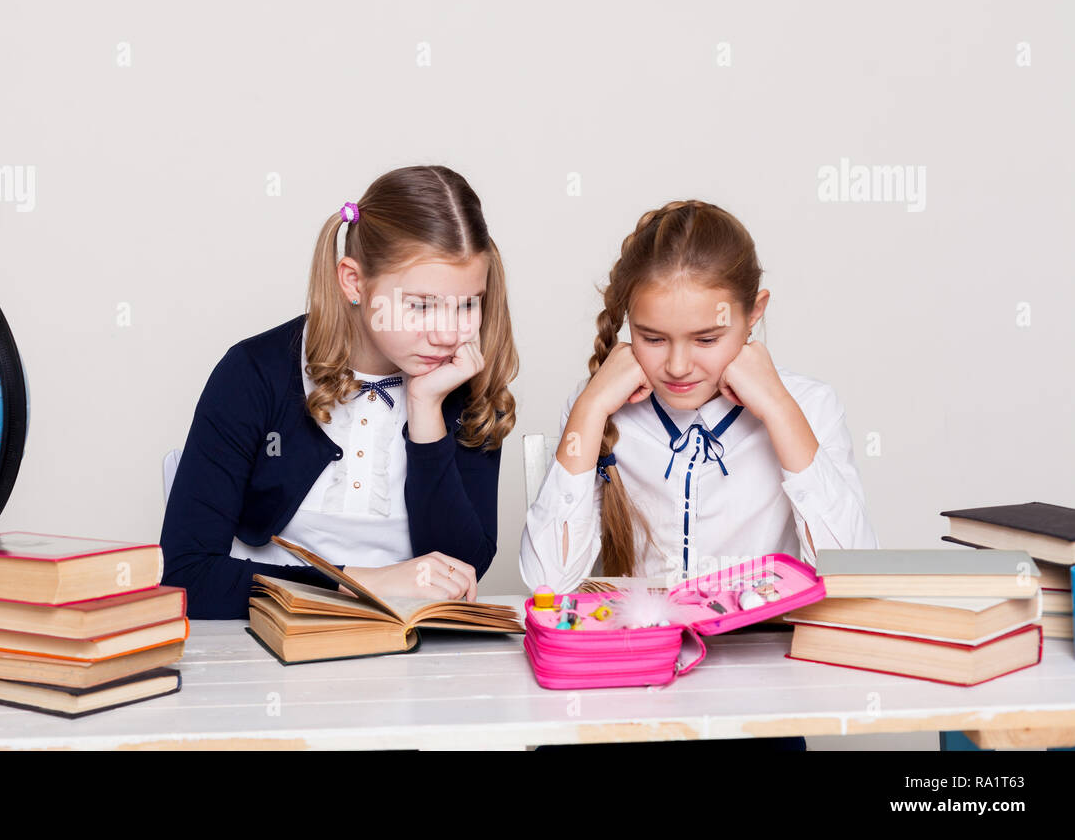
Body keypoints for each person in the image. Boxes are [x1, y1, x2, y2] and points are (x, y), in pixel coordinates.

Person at [521, 199, 879, 751]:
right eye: (653, 338)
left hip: (758, 707)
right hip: (620, 692)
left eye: (707, 339)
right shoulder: (602, 408)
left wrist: (780, 412)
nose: (679, 366)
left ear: (753, 311)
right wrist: (589, 411)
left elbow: (853, 577)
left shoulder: (809, 405)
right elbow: (547, 583)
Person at [161, 165, 518, 620]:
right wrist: (360, 583)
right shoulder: (253, 373)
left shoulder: (463, 384)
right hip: (263, 647)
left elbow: (462, 570)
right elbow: (186, 573)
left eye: (468, 304)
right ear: (353, 281)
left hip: (413, 658)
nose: (449, 335)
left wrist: (426, 411)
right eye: (422, 306)